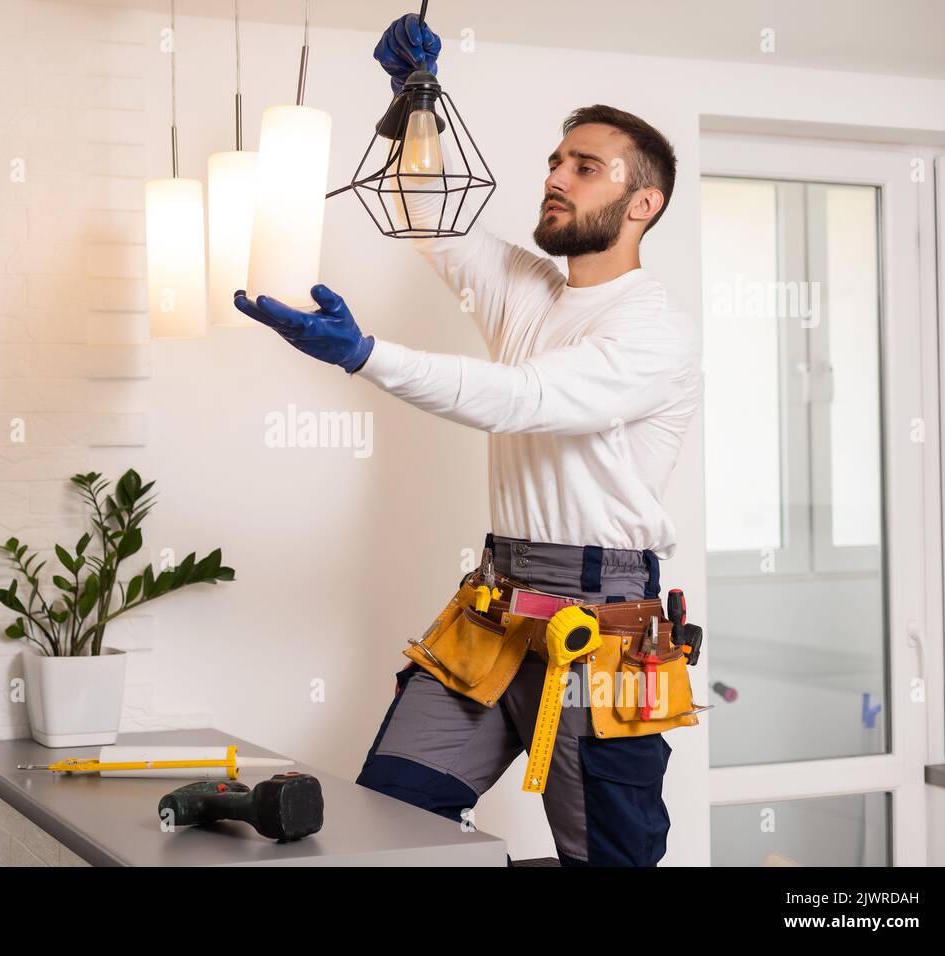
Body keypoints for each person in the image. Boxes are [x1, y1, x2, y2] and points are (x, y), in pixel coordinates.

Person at [232, 12, 702, 867]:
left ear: (643, 204)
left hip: (604, 635)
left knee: (611, 862)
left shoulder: (654, 331)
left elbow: (523, 399)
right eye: (556, 162)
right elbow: (426, 214)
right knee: (388, 831)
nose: (556, 177)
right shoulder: (529, 289)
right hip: (496, 609)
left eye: (584, 167)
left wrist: (367, 355)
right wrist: (414, 99)